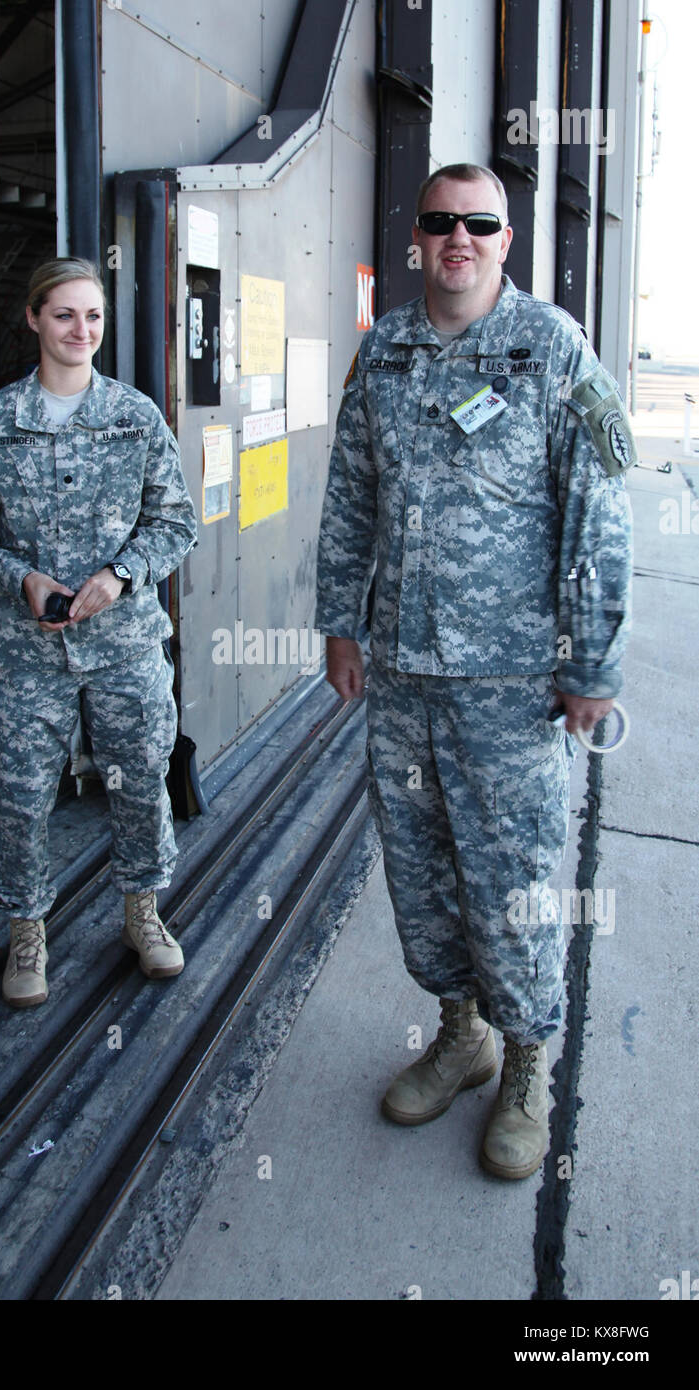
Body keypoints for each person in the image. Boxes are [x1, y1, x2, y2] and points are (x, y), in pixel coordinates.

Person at [315, 163, 635, 1179]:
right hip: (403, 677)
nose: (458, 237)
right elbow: (349, 495)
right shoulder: (387, 352)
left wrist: (591, 660)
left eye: (478, 223)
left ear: (505, 239)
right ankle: (462, 1034)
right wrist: (339, 621)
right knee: (420, 870)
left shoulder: (549, 349)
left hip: (508, 685)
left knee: (514, 882)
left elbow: (597, 515)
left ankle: (528, 1063)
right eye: (440, 222)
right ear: (416, 236)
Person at [0, 257, 197, 1008]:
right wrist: (21, 579)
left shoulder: (134, 416)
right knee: (21, 798)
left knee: (141, 784)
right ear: (33, 319)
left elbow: (176, 522)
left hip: (124, 647)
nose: (80, 330)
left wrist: (119, 575)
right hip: (28, 657)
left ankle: (142, 914)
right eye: (63, 315)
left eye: (92, 316)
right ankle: (26, 930)